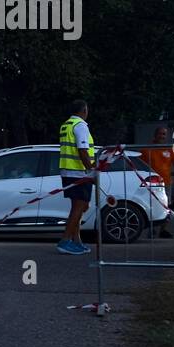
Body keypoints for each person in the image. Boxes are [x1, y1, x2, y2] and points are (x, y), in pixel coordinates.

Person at [57, 99, 96, 255]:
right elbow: (82, 150)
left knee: (79, 207)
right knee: (79, 207)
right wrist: (91, 170)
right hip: (79, 172)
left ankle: (76, 240)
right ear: (84, 110)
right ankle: (65, 240)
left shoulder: (66, 125)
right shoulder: (80, 126)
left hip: (68, 171)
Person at [140, 125, 174, 238]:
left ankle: (163, 230)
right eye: (160, 133)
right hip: (151, 183)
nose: (162, 136)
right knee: (151, 205)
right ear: (155, 135)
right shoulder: (146, 150)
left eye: (164, 134)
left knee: (167, 206)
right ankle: (151, 229)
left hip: (166, 182)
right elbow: (140, 166)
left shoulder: (170, 149)